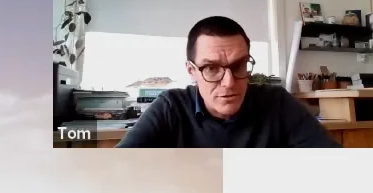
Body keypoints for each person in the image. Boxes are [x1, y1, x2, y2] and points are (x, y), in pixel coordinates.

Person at [118, 16, 339, 147]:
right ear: (191, 71)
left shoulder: (277, 102)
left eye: (238, 65)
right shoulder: (170, 107)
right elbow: (118, 172)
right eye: (212, 68)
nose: (229, 82)